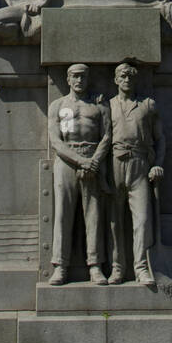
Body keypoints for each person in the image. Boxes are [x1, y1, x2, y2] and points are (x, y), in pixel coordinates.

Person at [48, 64, 111, 285]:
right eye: (75, 76)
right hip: (67, 160)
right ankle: (60, 266)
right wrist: (80, 161)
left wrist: (93, 160)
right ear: (67, 79)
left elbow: (107, 136)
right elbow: (55, 140)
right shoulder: (57, 105)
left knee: (93, 215)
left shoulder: (99, 105)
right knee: (63, 213)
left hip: (92, 157)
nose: (79, 80)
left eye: (83, 76)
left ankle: (95, 265)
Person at [107, 63, 164, 286]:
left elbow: (161, 139)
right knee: (114, 221)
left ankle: (141, 267)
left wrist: (157, 164)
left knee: (142, 220)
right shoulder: (107, 105)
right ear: (116, 80)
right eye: (123, 76)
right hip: (114, 163)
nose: (127, 80)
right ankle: (117, 267)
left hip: (141, 164)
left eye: (131, 76)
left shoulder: (148, 105)